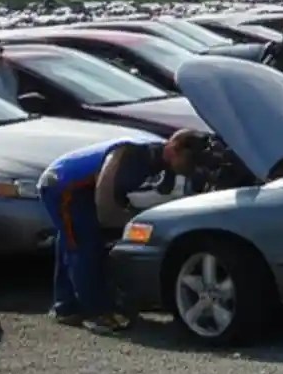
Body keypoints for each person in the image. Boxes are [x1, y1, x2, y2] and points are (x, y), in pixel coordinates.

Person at [38, 131, 208, 334]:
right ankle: (96, 313)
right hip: (63, 186)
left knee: (70, 241)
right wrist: (127, 221)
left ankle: (65, 307)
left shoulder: (160, 156)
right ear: (173, 150)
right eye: (190, 161)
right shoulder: (130, 155)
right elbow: (105, 203)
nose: (191, 168)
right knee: (84, 245)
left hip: (83, 189)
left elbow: (161, 191)